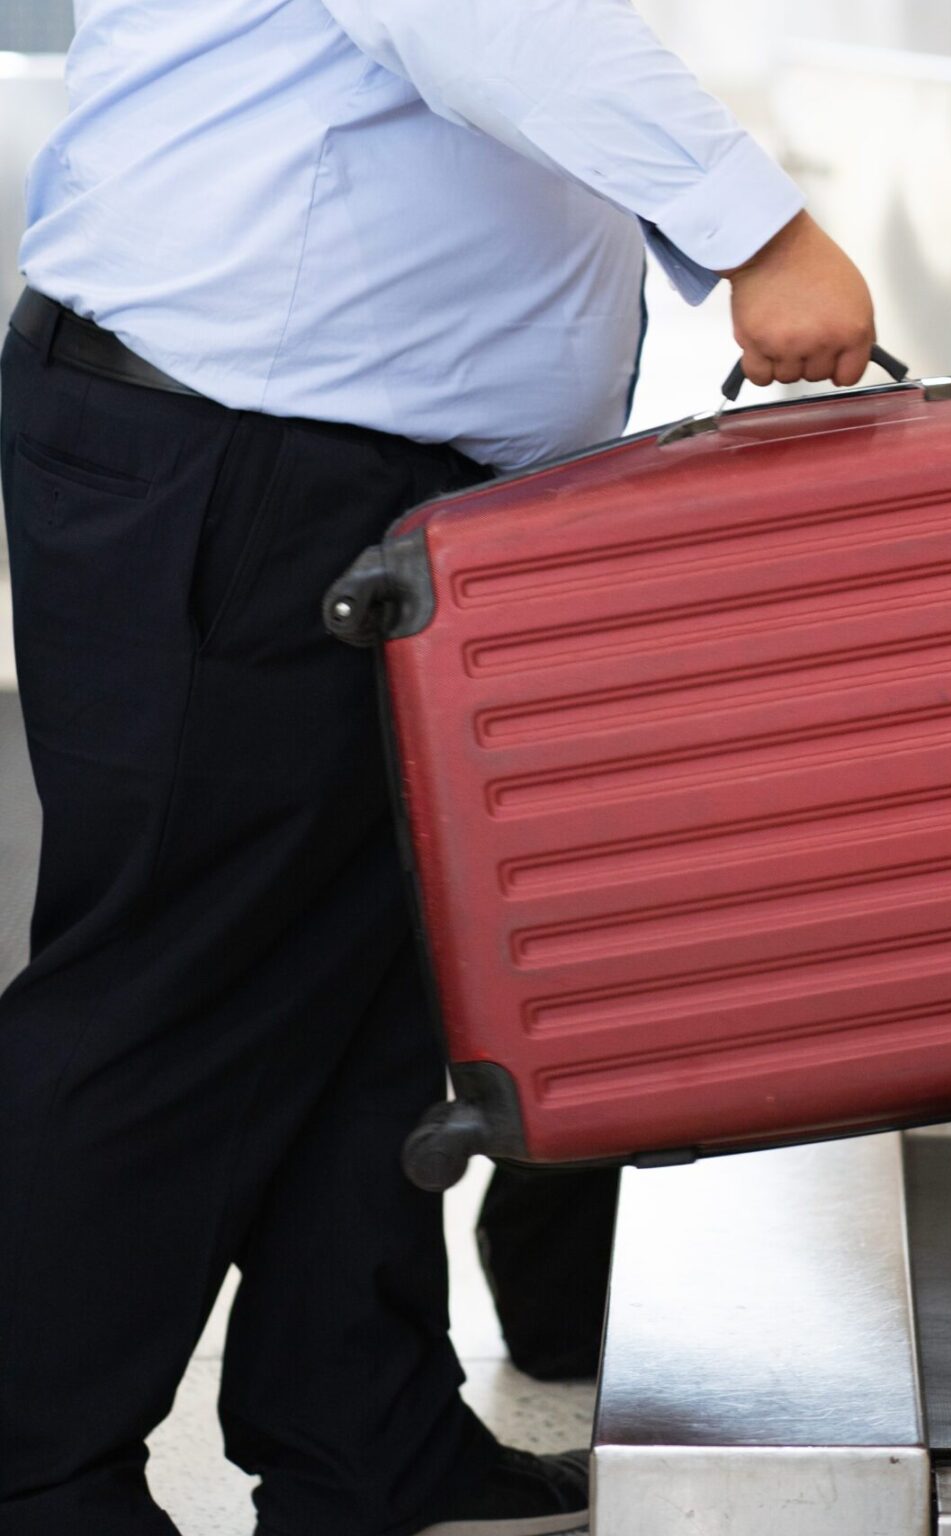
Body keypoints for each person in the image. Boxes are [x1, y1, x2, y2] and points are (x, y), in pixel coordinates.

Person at [0, 2, 876, 1533]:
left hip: (338, 458)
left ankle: (359, 1433)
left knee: (380, 989)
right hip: (241, 443)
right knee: (175, 985)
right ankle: (30, 1470)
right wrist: (763, 231)